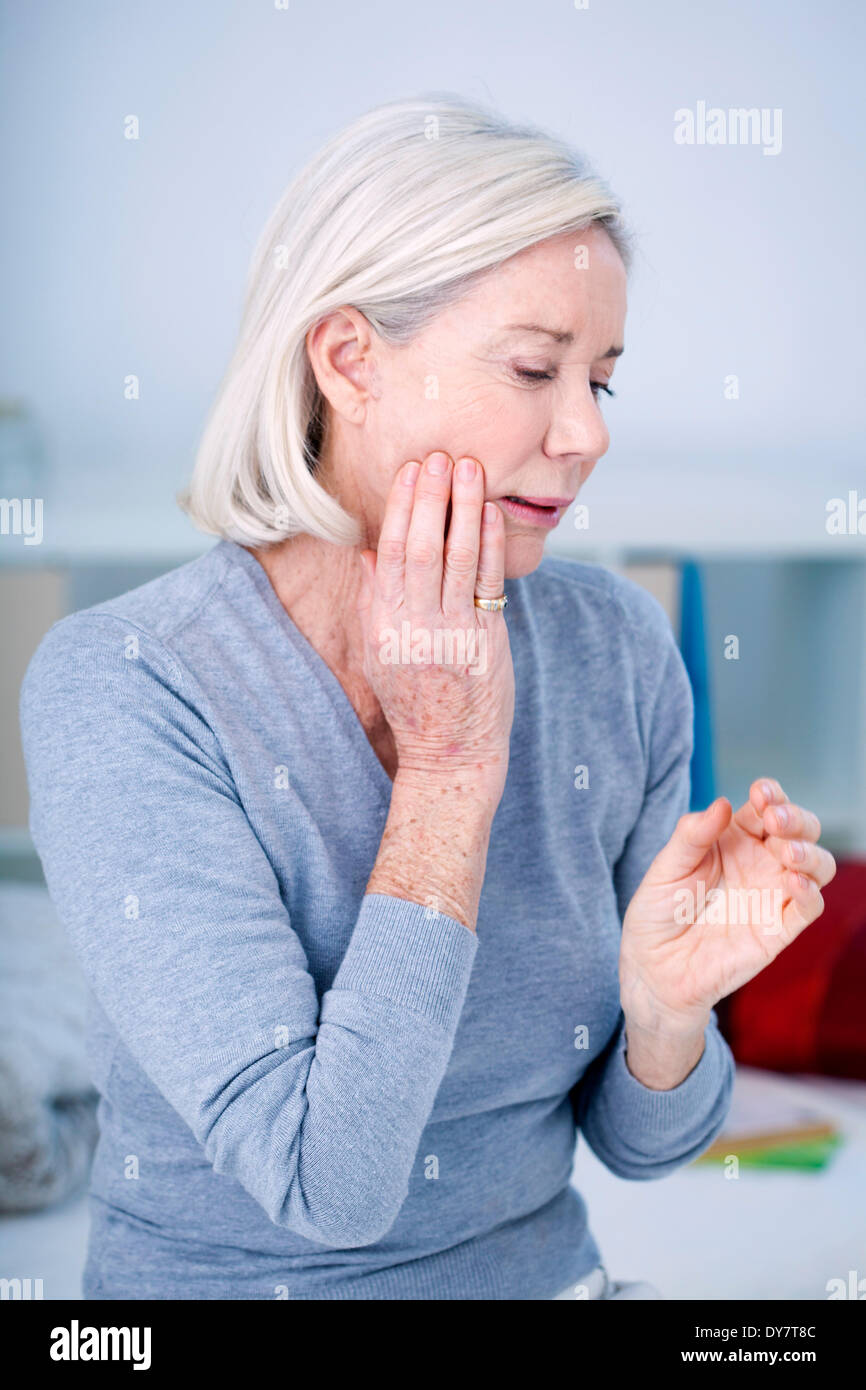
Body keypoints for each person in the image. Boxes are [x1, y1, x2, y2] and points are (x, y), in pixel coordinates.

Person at [20, 95, 836, 1301]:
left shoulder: (613, 645)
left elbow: (644, 1147)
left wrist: (664, 1005)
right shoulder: (128, 683)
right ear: (348, 360)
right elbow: (323, 1187)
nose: (584, 434)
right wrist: (451, 770)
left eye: (600, 380)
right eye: (531, 368)